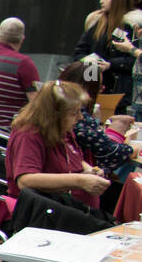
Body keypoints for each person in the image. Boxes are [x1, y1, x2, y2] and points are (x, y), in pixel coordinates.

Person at [7, 80, 111, 211]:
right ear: (54, 115)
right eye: (74, 113)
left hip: (71, 210)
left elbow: (72, 156)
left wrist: (90, 170)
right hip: (45, 214)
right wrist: (81, 181)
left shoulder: (60, 129)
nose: (80, 118)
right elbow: (26, 180)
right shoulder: (28, 134)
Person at [58, 61, 141, 178]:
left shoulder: (63, 108)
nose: (103, 88)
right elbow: (110, 153)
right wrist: (132, 148)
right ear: (88, 87)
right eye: (99, 85)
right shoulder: (79, 117)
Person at [72, 0, 139, 107]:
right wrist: (91, 63)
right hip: (91, 84)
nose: (101, 1)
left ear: (118, 0)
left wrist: (110, 65)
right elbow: (80, 50)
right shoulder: (97, 23)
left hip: (118, 91)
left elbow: (136, 59)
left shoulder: (132, 27)